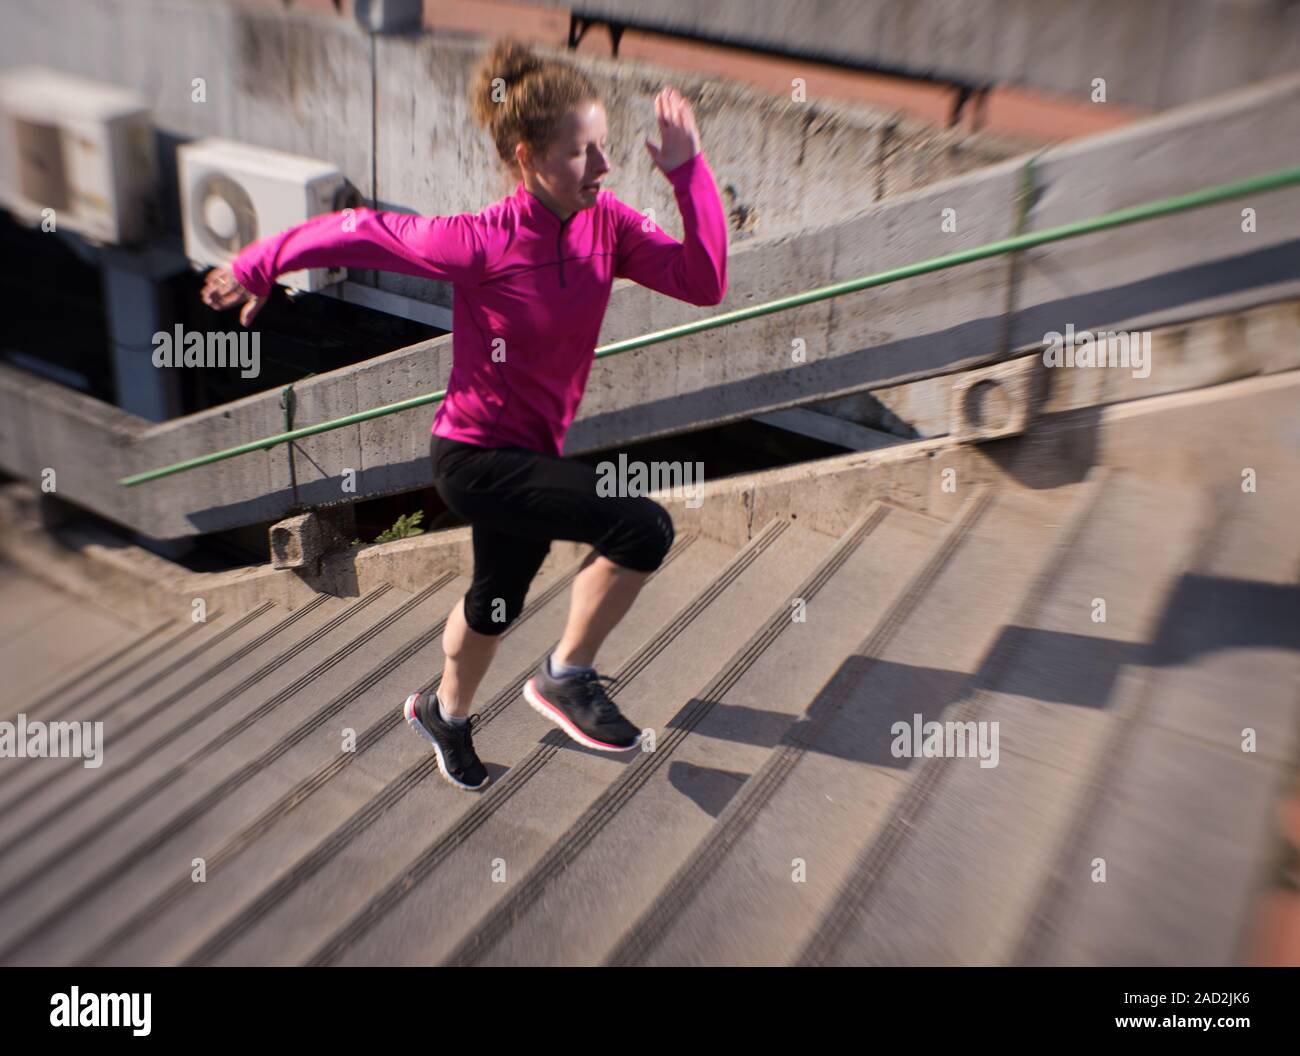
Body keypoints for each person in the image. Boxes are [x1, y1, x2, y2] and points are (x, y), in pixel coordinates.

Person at [201, 38, 729, 792]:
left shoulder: (606, 225)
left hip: (534, 454)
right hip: (475, 458)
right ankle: (566, 677)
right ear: (527, 158)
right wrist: (259, 262)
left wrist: (686, 171)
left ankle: (441, 713)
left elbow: (703, 280)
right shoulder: (479, 243)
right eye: (583, 154)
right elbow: (360, 231)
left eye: (605, 148)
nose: (605, 168)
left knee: (495, 602)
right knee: (640, 526)